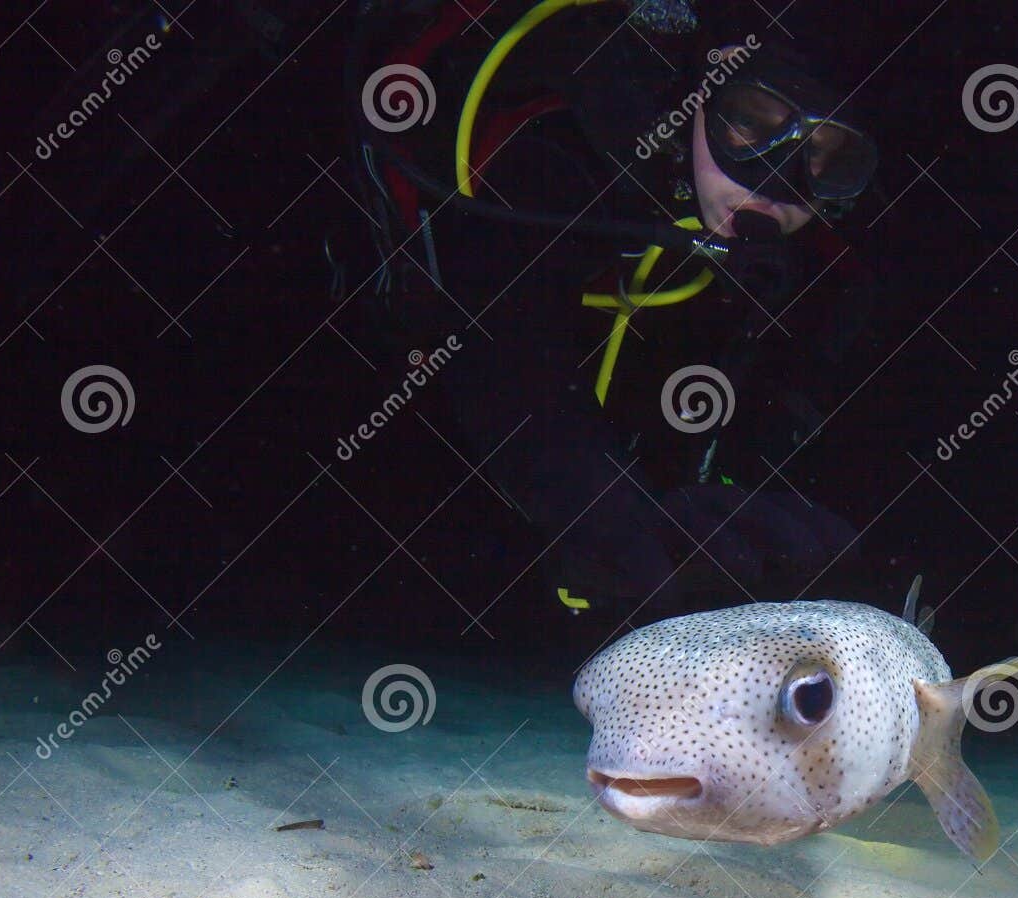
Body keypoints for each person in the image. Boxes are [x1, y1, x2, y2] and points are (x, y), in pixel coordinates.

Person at [350, 0, 880, 611]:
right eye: (749, 124)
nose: (777, 182)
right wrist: (598, 508)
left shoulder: (830, 271)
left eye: (821, 155)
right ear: (700, 91)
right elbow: (504, 341)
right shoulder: (569, 145)